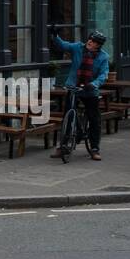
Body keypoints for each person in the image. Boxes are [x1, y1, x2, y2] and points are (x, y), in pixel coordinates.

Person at [49, 27, 109, 160]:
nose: (90, 42)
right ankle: (63, 147)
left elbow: (104, 75)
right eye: (90, 39)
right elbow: (63, 45)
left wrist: (93, 84)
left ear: (98, 45)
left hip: (90, 89)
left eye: (93, 41)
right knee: (68, 116)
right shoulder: (78, 47)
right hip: (73, 87)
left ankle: (94, 148)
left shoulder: (103, 57)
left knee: (94, 118)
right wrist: (55, 35)